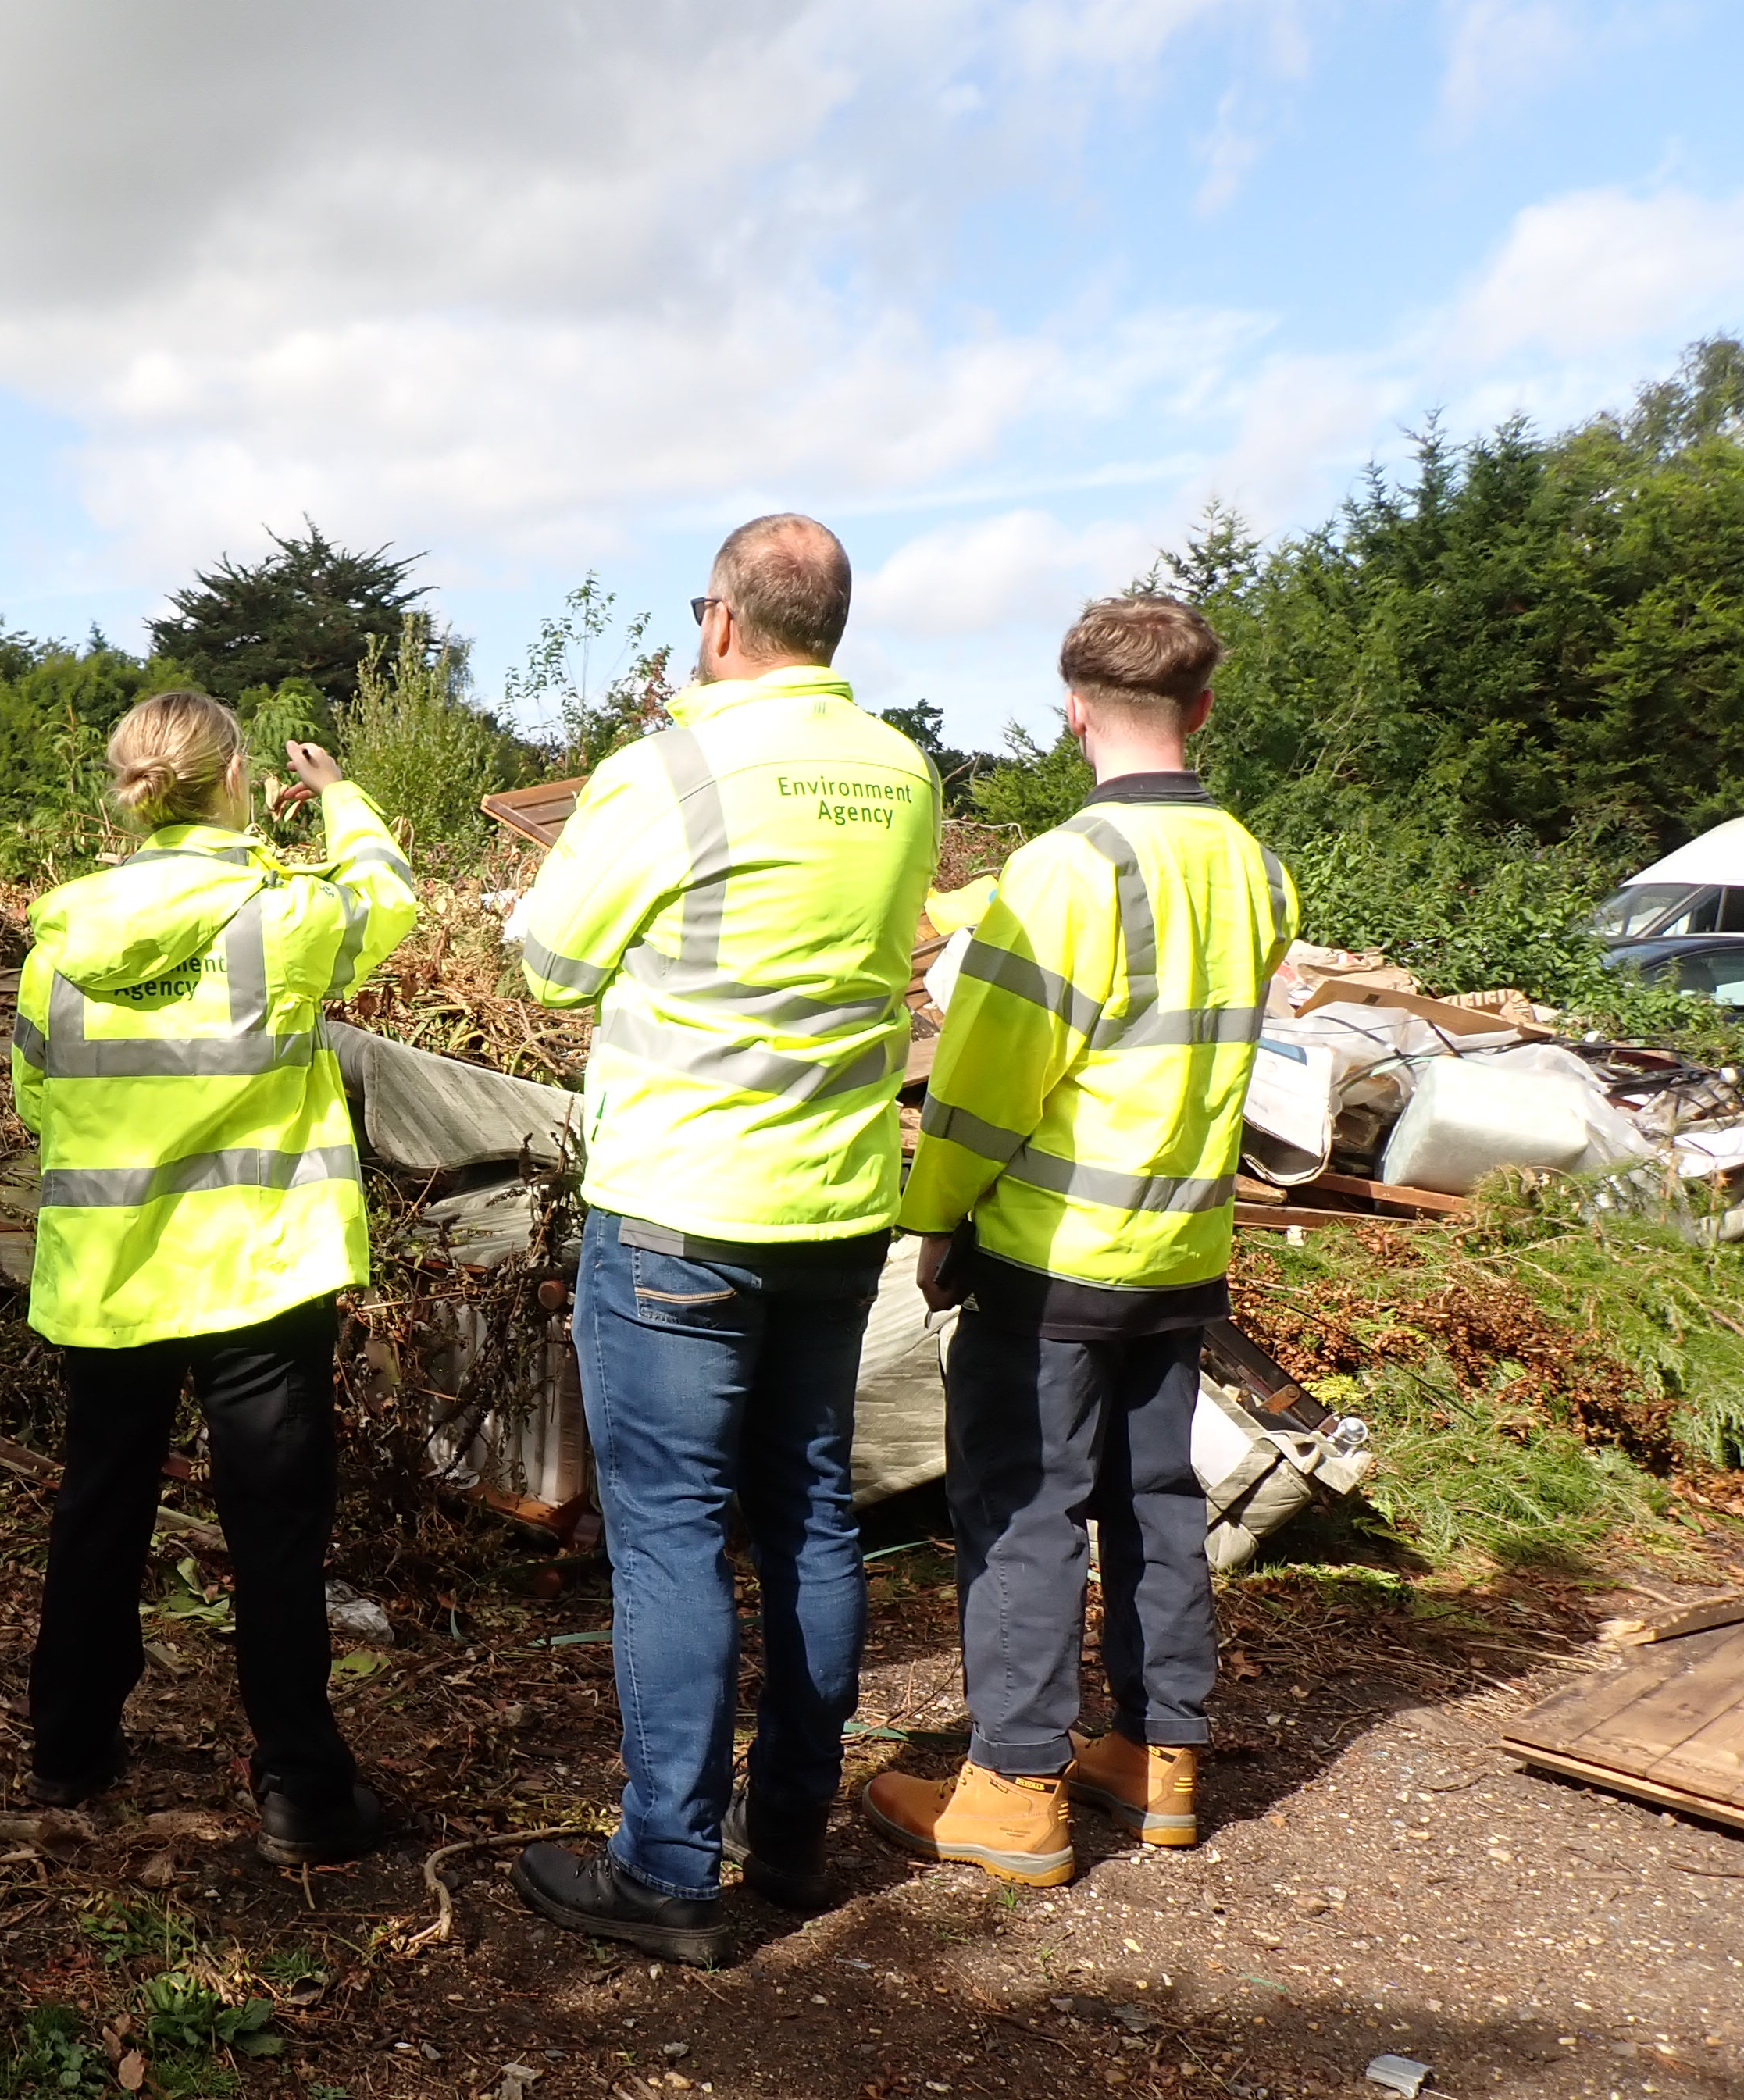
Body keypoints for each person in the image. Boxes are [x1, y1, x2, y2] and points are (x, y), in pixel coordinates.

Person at [505, 515, 940, 1961]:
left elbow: (554, 961)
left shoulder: (673, 767)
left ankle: (670, 1869)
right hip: (835, 1205)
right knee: (815, 1514)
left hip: (686, 1206)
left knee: (674, 1537)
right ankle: (791, 1838)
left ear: (723, 622)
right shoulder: (900, 774)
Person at [863, 595, 1295, 1886]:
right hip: (1180, 1257)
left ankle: (1014, 1788)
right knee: (1156, 1501)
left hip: (1055, 1258)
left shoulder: (1067, 869)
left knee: (1021, 1510)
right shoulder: (1255, 865)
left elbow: (987, 1083)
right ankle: (1159, 1761)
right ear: (1202, 710)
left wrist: (935, 1220)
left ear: (1072, 708)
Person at [12, 689, 417, 1866]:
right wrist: (341, 797)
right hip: (259, 1272)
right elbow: (389, 900)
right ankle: (302, 1792)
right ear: (236, 777)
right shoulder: (282, 920)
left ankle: (68, 1751)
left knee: (98, 1510)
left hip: (111, 1279)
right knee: (276, 1534)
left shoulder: (60, 943)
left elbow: (37, 1098)